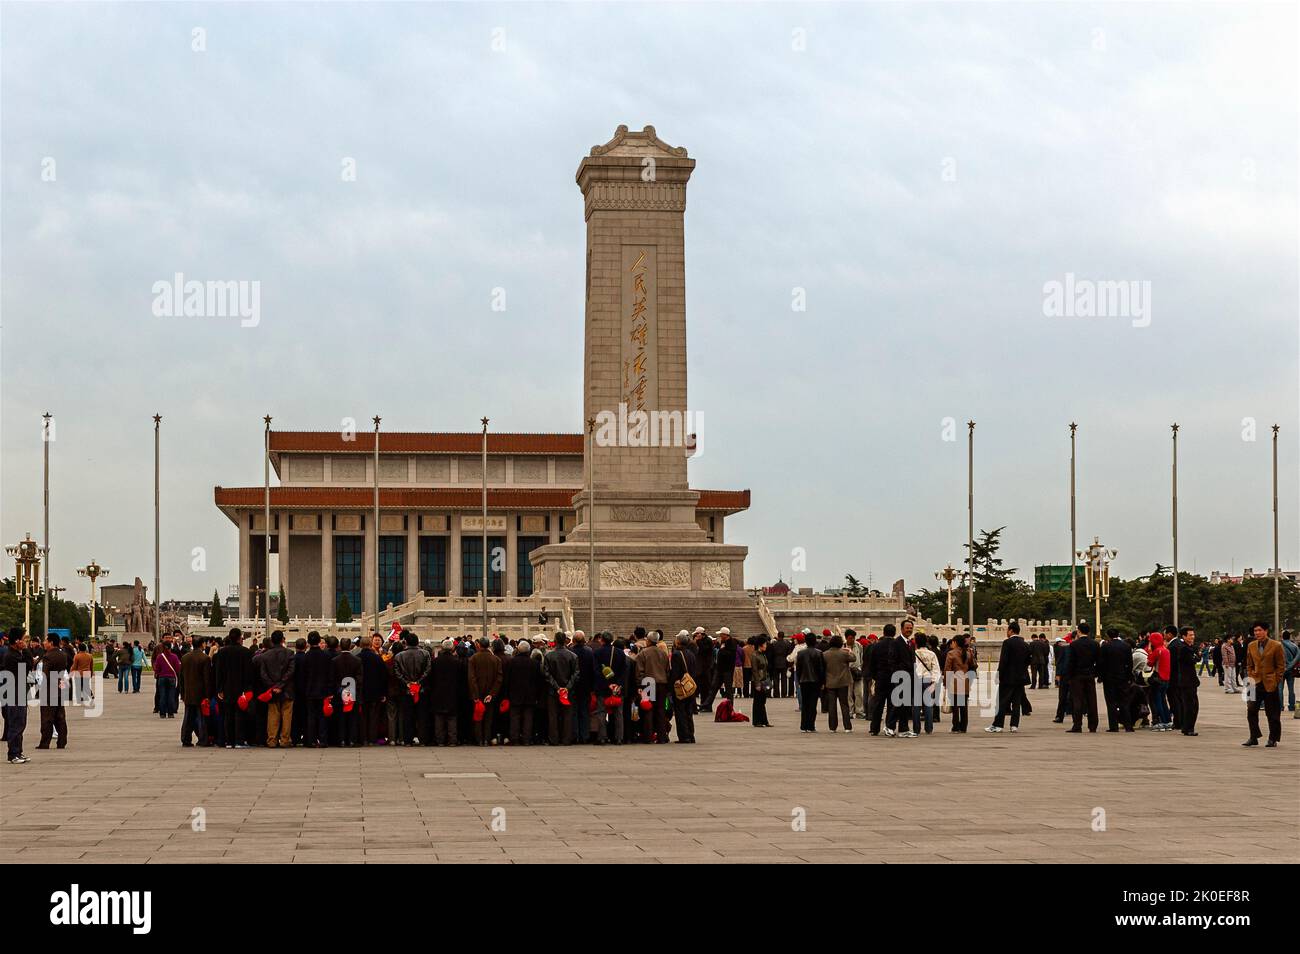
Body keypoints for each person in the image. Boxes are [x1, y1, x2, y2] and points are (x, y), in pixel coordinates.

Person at [1244, 621, 1284, 747]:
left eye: (1259, 630)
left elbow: (1281, 666)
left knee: (1272, 713)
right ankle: (1253, 736)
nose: (1257, 633)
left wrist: (1276, 680)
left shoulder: (1276, 645)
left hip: (1270, 682)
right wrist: (1251, 676)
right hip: (1254, 682)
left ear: (1266, 631)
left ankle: (1273, 738)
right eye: (1255, 631)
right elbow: (1249, 664)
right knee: (1251, 710)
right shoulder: (1251, 645)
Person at [987, 622, 1029, 733]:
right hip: (1020, 678)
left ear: (1010, 630)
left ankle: (998, 725)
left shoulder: (1007, 643)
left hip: (1008, 678)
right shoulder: (1025, 644)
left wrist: (999, 675)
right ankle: (1014, 725)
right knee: (1016, 702)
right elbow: (1028, 660)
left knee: (1002, 701)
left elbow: (1003, 661)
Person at [2, 628, 33, 763]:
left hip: (19, 693)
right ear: (16, 641)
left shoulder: (16, 654)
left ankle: (18, 752)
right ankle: (13, 754)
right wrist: (26, 650)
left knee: (21, 724)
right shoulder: (11, 656)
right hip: (13, 694)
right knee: (15, 724)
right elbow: (27, 667)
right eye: (23, 639)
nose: (25, 642)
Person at [635, 630, 671, 744]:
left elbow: (639, 672)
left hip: (648, 683)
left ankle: (648, 736)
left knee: (648, 710)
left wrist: (639, 685)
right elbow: (667, 670)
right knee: (660, 711)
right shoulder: (663, 653)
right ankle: (661, 737)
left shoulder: (643, 653)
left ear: (649, 641)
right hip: (662, 684)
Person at [592, 632, 627, 744]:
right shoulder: (620, 653)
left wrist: (607, 684)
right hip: (617, 688)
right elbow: (624, 671)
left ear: (601, 640)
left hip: (602, 687)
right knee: (618, 713)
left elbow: (596, 671)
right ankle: (619, 738)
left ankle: (602, 737)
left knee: (601, 712)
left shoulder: (597, 652)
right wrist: (617, 684)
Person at [467, 637, 503, 747]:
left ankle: (479, 740)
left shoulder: (473, 659)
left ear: (479, 645)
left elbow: (471, 678)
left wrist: (476, 695)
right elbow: (499, 678)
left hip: (477, 693)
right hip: (490, 695)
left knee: (478, 716)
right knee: (488, 718)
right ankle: (487, 739)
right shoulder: (496, 660)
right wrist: (492, 694)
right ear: (489, 645)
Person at [37, 633, 69, 750]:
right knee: (60, 717)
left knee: (47, 718)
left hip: (49, 690)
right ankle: (62, 741)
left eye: (45, 641)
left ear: (51, 642)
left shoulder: (48, 656)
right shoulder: (63, 655)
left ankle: (44, 742)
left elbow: (45, 675)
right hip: (59, 689)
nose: (44, 643)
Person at [1099, 627, 1135, 732]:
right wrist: (1129, 676)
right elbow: (1130, 663)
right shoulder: (1126, 646)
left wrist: (1100, 676)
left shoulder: (1105, 647)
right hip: (1123, 677)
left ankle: (1113, 726)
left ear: (1108, 635)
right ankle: (1128, 725)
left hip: (1109, 678)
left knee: (1111, 702)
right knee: (1124, 701)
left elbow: (1101, 663)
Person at [429, 639, 463, 746]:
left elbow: (431, 678)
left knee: (439, 717)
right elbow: (460, 679)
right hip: (453, 693)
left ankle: (440, 740)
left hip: (438, 693)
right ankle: (452, 740)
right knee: (452, 717)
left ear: (442, 648)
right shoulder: (457, 661)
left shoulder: (435, 661)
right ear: (452, 648)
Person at [179, 637, 213, 746]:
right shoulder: (205, 658)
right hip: (201, 693)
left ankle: (185, 739)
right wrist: (208, 695)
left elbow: (181, 678)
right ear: (202, 644)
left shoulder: (185, 658)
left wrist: (182, 693)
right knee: (201, 718)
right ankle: (203, 739)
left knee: (188, 718)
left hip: (188, 693)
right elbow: (207, 679)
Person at [1066, 621, 1099, 733]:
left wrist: (1069, 676)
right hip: (1090, 674)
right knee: (1091, 700)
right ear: (1089, 632)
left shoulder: (1074, 644)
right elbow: (1098, 661)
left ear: (1078, 631)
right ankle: (1093, 725)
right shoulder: (1094, 644)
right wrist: (1095, 673)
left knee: (1077, 700)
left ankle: (1077, 725)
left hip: (1077, 675)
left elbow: (1071, 662)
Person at [669, 632, 699, 742]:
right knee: (688, 711)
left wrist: (671, 686)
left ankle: (684, 736)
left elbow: (675, 673)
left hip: (681, 687)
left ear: (678, 642)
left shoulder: (677, 654)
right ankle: (691, 735)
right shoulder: (691, 654)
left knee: (680, 711)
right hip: (689, 686)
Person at [943, 633, 974, 732]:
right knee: (964, 706)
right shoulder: (968, 653)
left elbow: (947, 670)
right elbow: (974, 665)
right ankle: (963, 727)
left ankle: (955, 727)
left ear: (955, 642)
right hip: (965, 682)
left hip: (954, 682)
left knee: (955, 706)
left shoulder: (951, 654)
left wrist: (945, 683)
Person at [1172, 626, 1200, 736]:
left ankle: (1186, 727)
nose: (1193, 637)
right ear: (1184, 636)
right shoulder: (1184, 648)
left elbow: (1196, 658)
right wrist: (1195, 655)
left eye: (1193, 634)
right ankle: (1188, 728)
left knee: (1191, 705)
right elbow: (1193, 660)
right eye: (1190, 635)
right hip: (1187, 681)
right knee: (1191, 706)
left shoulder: (1188, 647)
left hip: (1189, 680)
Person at [795, 631, 825, 733]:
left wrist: (798, 680)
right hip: (815, 681)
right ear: (815, 641)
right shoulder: (819, 653)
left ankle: (804, 725)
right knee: (813, 704)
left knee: (805, 703)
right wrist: (822, 682)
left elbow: (798, 669)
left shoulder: (800, 653)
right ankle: (811, 725)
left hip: (804, 681)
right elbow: (821, 669)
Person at [913, 634, 940, 735]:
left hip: (917, 680)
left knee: (916, 705)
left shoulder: (914, 653)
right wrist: (934, 681)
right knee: (928, 705)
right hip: (928, 679)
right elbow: (936, 669)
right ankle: (929, 728)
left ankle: (916, 729)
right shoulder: (931, 654)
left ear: (916, 642)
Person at [1146, 632, 1172, 730]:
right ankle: (1168, 721)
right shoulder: (1166, 650)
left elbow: (1149, 663)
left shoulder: (1157, 651)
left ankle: (1161, 722)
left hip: (1158, 679)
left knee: (1157, 701)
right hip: (1166, 679)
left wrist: (1149, 651)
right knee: (1163, 701)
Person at [153, 640, 180, 719]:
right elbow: (177, 669)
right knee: (171, 695)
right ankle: (171, 713)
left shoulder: (159, 657)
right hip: (171, 678)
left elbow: (157, 669)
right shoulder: (174, 657)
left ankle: (162, 713)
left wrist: (158, 672)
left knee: (162, 695)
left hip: (162, 678)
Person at [750, 633, 772, 727]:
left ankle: (764, 720)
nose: (766, 646)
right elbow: (754, 670)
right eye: (765, 644)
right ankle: (757, 721)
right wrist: (757, 684)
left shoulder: (763, 654)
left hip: (764, 679)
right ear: (760, 645)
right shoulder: (754, 655)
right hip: (758, 680)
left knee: (763, 701)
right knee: (757, 701)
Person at [1280, 631, 1298, 713]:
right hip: (1291, 670)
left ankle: (1280, 706)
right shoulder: (1294, 646)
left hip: (1280, 670)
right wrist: (1290, 666)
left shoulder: (1278, 645)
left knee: (1280, 689)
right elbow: (1297, 657)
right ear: (1289, 637)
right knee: (1291, 689)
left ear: (1282, 637)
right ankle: (1291, 706)